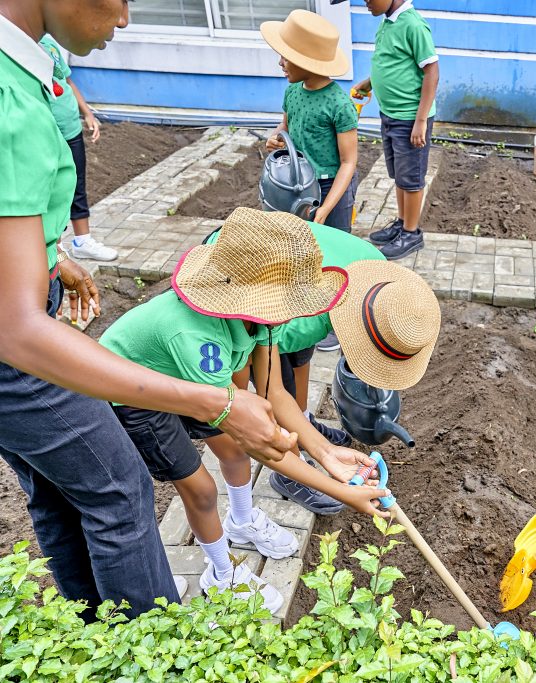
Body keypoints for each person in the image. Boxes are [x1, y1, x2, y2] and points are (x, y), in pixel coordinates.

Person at [0, 0, 296, 621]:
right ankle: (146, 644)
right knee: (120, 490)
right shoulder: (8, 97)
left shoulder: (24, 67)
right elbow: (15, 329)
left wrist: (47, 258)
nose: (128, 19)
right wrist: (214, 402)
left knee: (60, 496)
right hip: (17, 348)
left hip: (27, 314)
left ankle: (92, 633)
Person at [100, 208, 387, 611]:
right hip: (137, 397)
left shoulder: (258, 318)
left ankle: (241, 519)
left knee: (230, 452)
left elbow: (272, 393)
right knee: (200, 487)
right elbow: (257, 441)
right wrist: (340, 489)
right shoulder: (199, 339)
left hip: (188, 380)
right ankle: (221, 573)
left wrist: (326, 453)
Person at [203, 220, 391, 514]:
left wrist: (325, 452)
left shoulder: (270, 315)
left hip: (269, 268)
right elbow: (250, 427)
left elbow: (273, 392)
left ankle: (300, 426)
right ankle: (273, 492)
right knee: (215, 468)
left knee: (289, 373)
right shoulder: (227, 338)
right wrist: (331, 485)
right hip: (138, 407)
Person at [253, 258, 441, 515]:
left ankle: (303, 422)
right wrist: (336, 487)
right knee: (281, 382)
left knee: (298, 362)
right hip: (253, 321)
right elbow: (266, 402)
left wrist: (326, 451)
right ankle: (285, 480)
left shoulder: (383, 281)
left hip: (277, 299)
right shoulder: (285, 326)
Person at [262, 10, 359, 234]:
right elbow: (285, 127)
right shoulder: (292, 92)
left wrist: (326, 207)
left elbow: (348, 162)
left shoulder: (339, 105)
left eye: (286, 57)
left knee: (334, 242)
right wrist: (275, 138)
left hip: (331, 186)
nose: (280, 62)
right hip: (296, 183)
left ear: (309, 61)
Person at [357, 0, 440, 261]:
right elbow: (391, 62)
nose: (366, 3)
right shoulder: (386, 21)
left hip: (410, 118)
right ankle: (402, 222)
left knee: (412, 178)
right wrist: (370, 83)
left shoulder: (413, 25)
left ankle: (411, 233)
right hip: (390, 114)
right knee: (399, 174)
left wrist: (421, 120)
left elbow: (432, 72)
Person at [38, 33, 116, 261]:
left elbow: (67, 82)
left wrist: (88, 114)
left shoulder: (49, 42)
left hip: (71, 129)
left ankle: (82, 241)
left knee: (76, 186)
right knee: (52, 191)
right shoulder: (18, 48)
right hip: (48, 134)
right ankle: (55, 250)